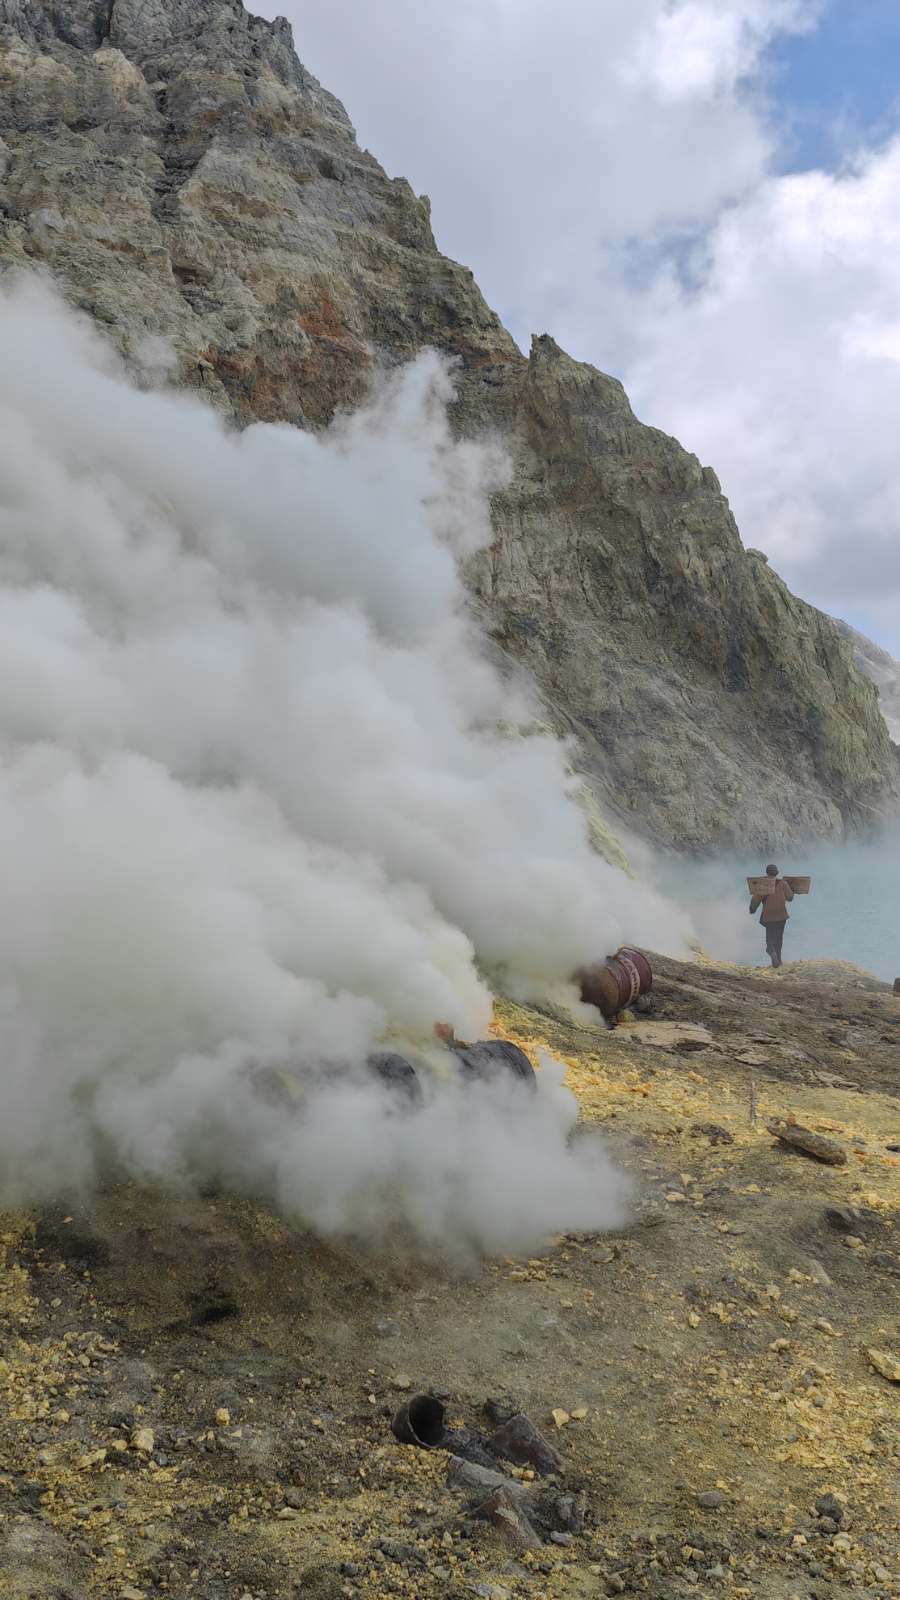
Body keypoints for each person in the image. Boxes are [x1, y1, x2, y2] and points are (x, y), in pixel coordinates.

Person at [749, 864, 794, 968]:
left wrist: (752, 909)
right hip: (782, 915)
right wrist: (792, 890)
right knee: (779, 939)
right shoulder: (783, 883)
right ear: (776, 873)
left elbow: (755, 900)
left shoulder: (763, 884)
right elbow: (790, 898)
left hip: (769, 917)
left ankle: (772, 954)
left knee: (770, 940)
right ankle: (779, 960)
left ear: (767, 873)